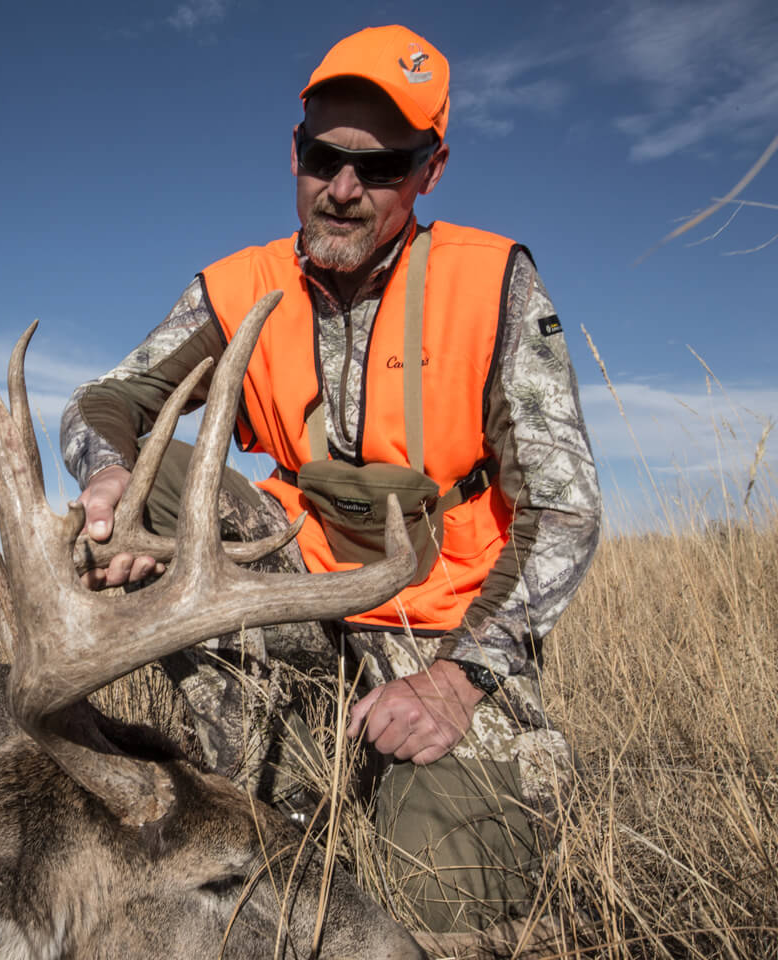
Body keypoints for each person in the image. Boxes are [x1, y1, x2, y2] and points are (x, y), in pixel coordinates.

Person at [59, 25, 600, 934]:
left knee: (441, 910)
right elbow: (103, 402)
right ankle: (273, 772)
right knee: (157, 479)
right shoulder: (241, 286)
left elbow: (566, 509)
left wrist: (458, 682)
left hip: (441, 630)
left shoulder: (493, 281)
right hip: (293, 600)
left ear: (431, 171)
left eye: (383, 166)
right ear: (296, 152)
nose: (344, 190)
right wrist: (107, 480)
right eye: (324, 157)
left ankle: (384, 775)